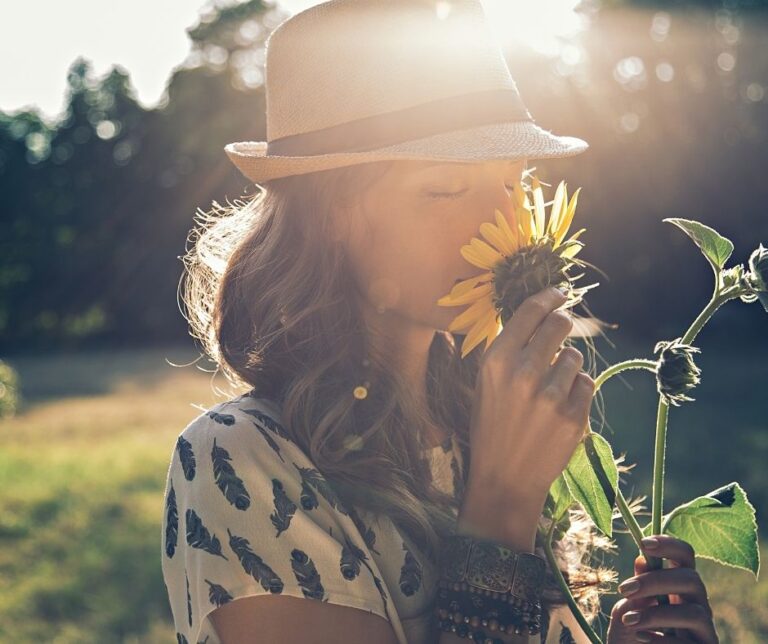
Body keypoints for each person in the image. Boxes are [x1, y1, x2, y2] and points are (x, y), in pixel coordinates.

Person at [161, 1, 720, 642]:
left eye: (513, 183)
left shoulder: (472, 424)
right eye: (444, 190)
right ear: (331, 216)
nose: (500, 226)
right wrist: (504, 503)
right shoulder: (243, 460)